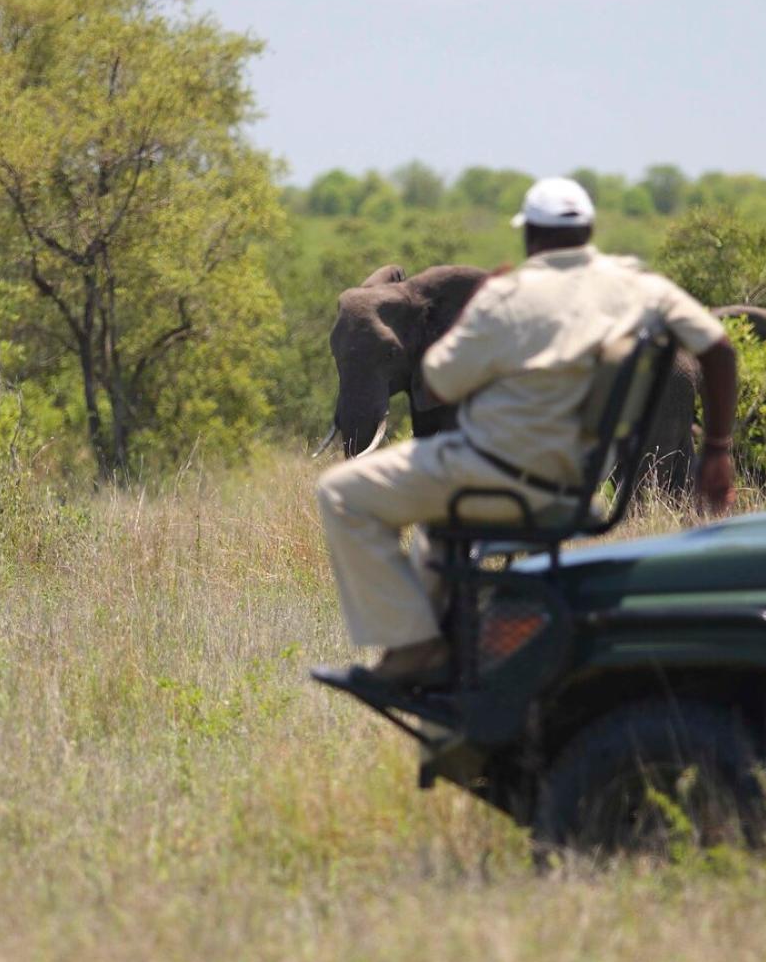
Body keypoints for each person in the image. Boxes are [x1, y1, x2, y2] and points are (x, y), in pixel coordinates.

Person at [315, 176, 739, 687]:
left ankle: (414, 648)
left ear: (531, 238)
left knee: (341, 494)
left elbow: (439, 381)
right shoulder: (638, 285)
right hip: (580, 493)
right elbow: (719, 351)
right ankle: (462, 633)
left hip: (494, 482)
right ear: (589, 232)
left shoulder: (507, 295)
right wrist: (717, 450)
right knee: (435, 535)